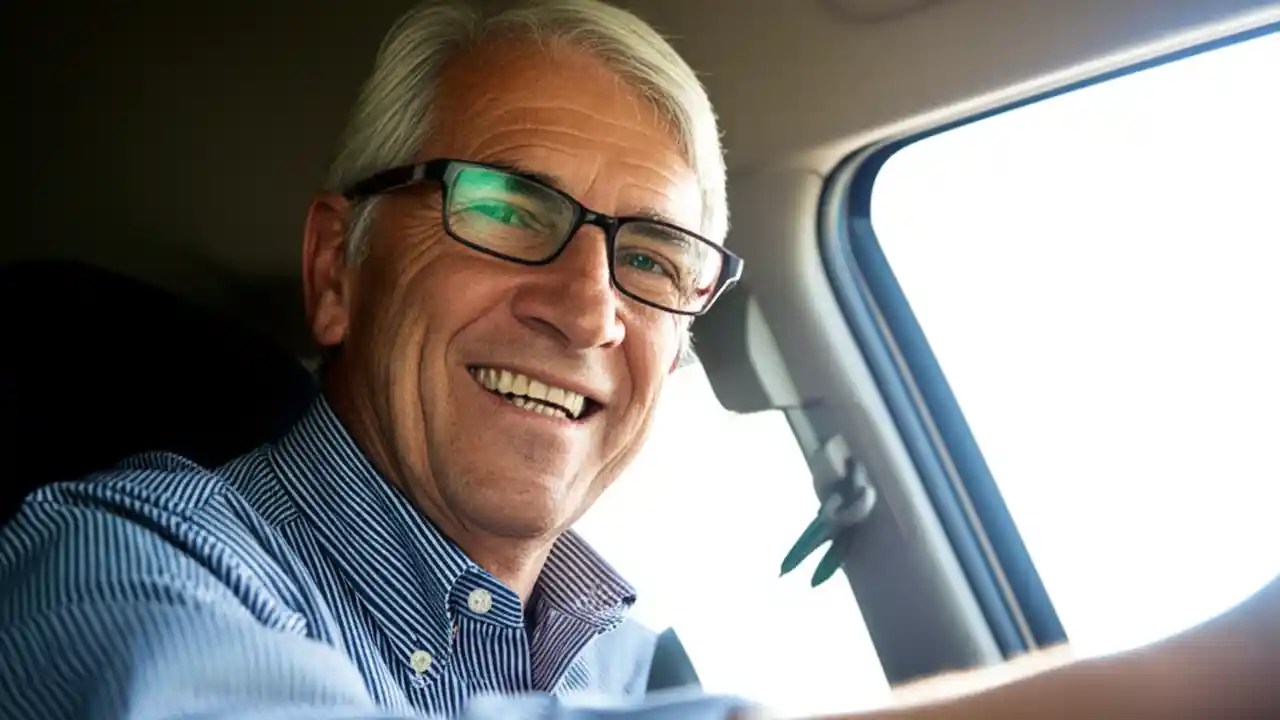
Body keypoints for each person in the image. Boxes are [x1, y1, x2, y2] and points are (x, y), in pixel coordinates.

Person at [0, 1, 1276, 719]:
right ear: (337, 270)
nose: (587, 306)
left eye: (656, 256)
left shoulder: (628, 661)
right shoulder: (126, 555)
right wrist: (1200, 680)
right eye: (504, 207)